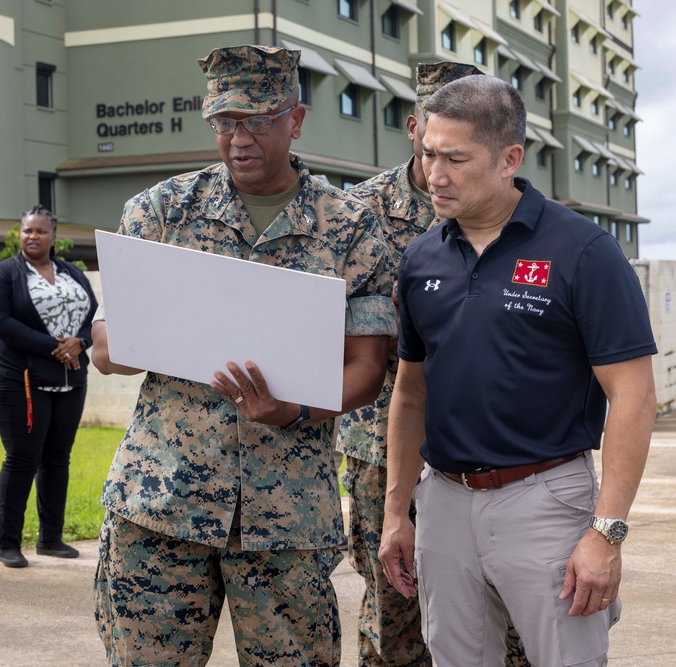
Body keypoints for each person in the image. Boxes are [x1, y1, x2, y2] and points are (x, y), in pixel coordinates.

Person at [91, 45, 396, 667]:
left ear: (296, 119)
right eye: (225, 122)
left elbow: (368, 366)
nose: (238, 138)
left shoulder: (349, 226)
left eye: (257, 120)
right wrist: (132, 344)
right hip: (162, 499)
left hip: (286, 515)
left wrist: (296, 410)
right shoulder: (160, 213)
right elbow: (105, 346)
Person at [379, 74, 657, 667]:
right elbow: (410, 394)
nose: (435, 175)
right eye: (428, 154)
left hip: (545, 501)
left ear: (511, 158)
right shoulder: (422, 256)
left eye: (456, 159)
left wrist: (606, 532)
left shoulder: (582, 251)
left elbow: (632, 396)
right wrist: (397, 512)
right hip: (445, 502)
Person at [339, 62, 529, 667]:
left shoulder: (519, 211)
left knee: (511, 610)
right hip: (383, 445)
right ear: (414, 124)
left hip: (501, 446)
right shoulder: (356, 212)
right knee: (394, 609)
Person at [0, 205, 98, 568]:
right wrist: (56, 348)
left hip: (70, 381)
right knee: (21, 459)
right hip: (20, 380)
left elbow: (94, 315)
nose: (32, 236)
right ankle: (9, 544)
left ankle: (51, 538)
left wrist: (79, 342)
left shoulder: (71, 272)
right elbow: (0, 322)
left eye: (40, 231)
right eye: (26, 230)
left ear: (54, 236)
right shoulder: (5, 274)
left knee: (57, 459)